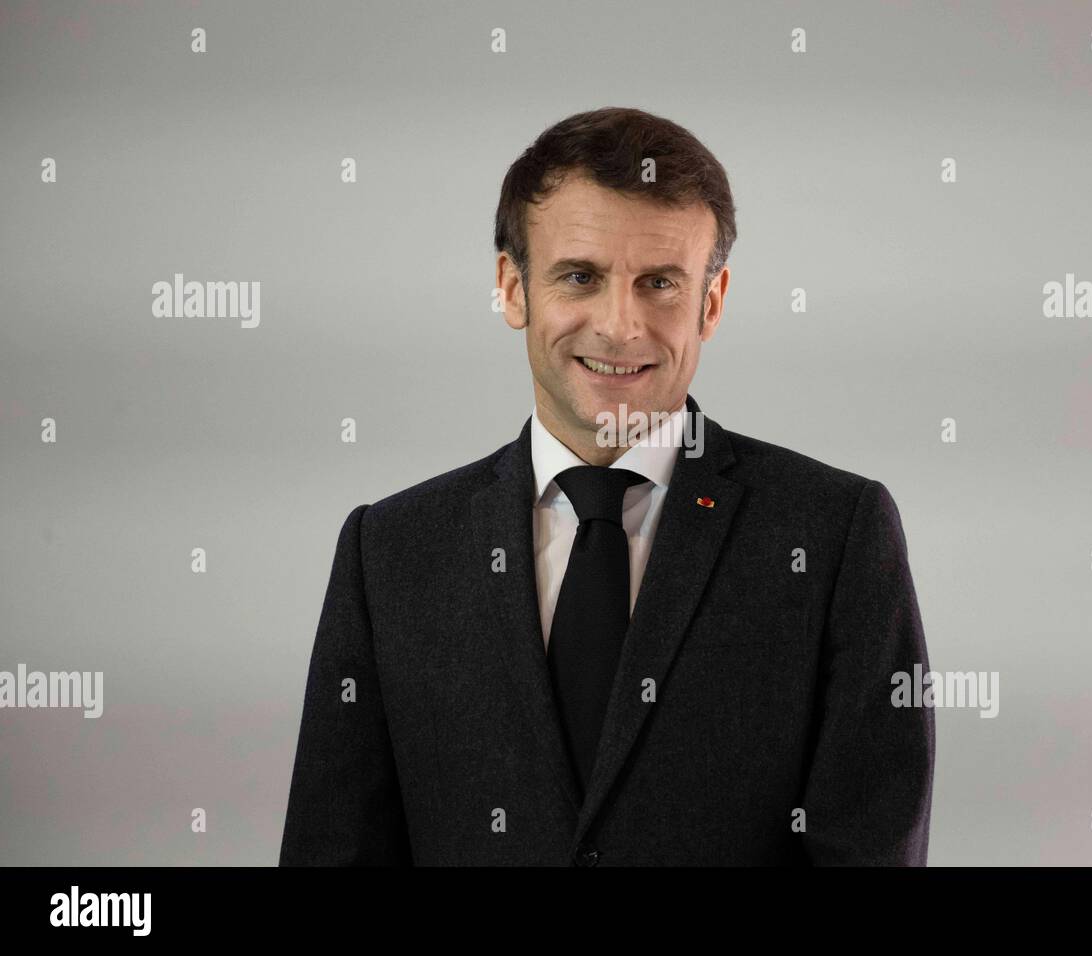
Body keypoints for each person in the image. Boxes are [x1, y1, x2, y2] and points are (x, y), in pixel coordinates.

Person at [279, 106, 935, 866]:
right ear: (512, 288)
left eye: (659, 282)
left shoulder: (835, 535)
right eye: (581, 276)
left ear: (711, 304)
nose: (621, 326)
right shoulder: (389, 552)